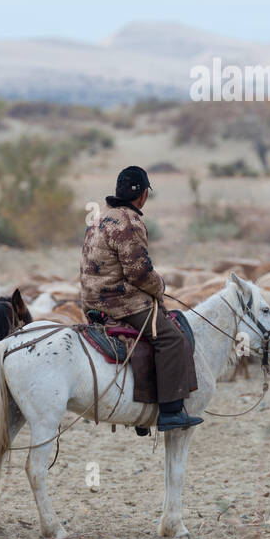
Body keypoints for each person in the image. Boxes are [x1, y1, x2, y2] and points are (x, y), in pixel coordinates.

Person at [80, 166, 202, 431]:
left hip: (91, 300)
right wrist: (160, 288)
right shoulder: (130, 222)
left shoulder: (100, 217)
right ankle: (170, 411)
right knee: (171, 338)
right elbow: (139, 273)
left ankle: (141, 410)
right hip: (120, 302)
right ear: (143, 195)